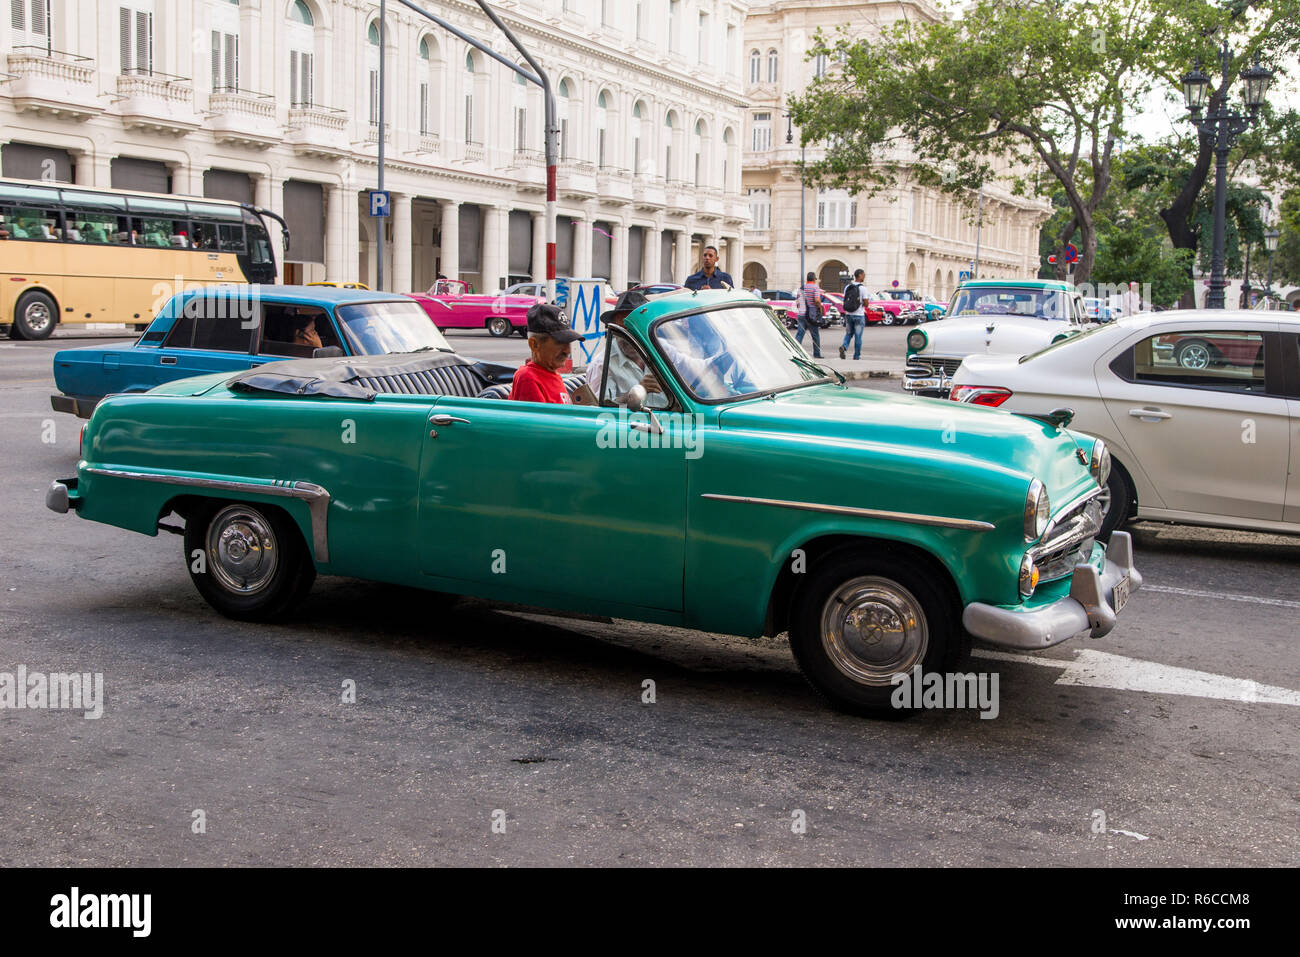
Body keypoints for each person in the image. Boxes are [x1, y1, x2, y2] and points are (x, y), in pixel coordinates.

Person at [509, 302, 585, 404]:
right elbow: (538, 419)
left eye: (568, 343)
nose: (568, 351)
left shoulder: (553, 374)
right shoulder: (528, 378)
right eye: (560, 342)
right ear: (534, 344)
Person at [839, 268, 867, 360]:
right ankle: (856, 356)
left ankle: (844, 346)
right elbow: (866, 303)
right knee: (858, 336)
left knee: (848, 333)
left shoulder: (847, 287)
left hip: (848, 314)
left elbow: (845, 299)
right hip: (859, 315)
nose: (864, 276)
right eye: (863, 275)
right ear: (859, 275)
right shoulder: (862, 288)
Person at [794, 272, 824, 358]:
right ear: (814, 279)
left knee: (799, 334)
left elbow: (797, 302)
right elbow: (817, 300)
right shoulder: (815, 287)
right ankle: (817, 354)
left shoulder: (801, 288)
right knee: (815, 335)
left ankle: (795, 352)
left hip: (801, 314)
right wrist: (820, 307)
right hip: (811, 315)